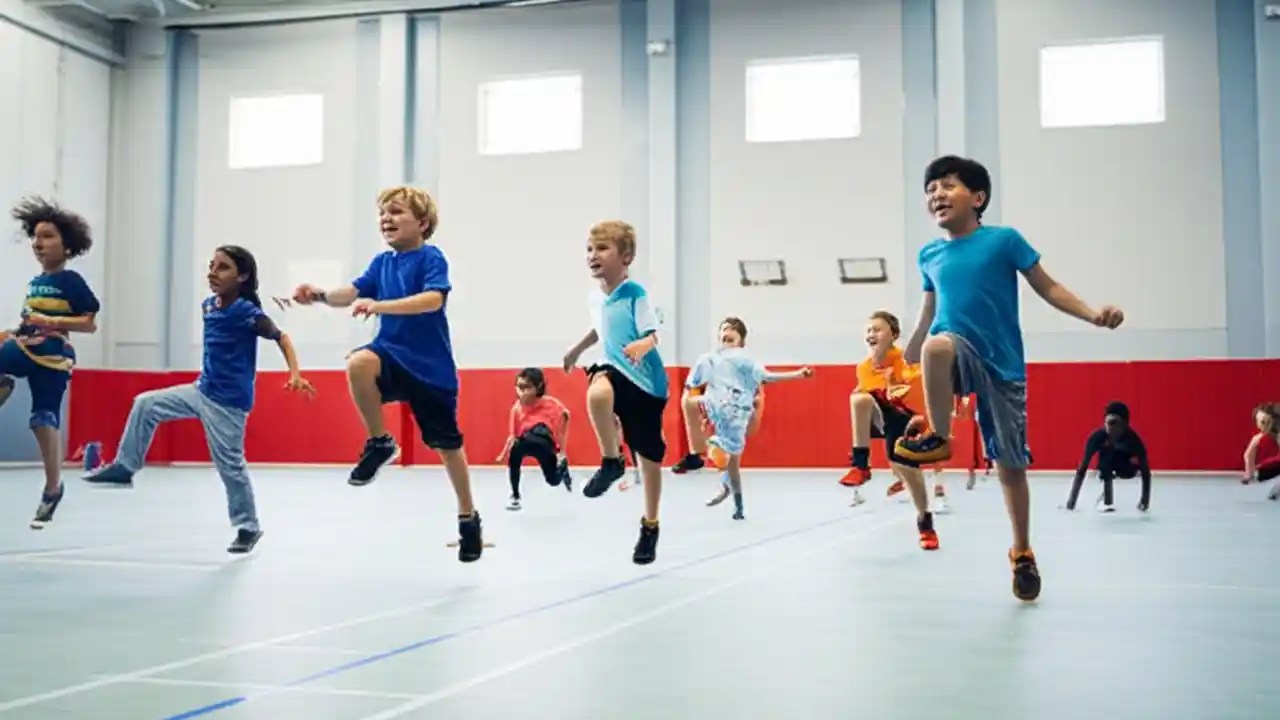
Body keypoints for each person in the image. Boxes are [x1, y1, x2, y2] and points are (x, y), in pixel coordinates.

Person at [893, 155, 1125, 601]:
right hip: (953, 349)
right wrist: (906, 357)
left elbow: (1048, 287)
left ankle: (1021, 551)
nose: (936, 195)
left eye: (947, 186)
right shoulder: (930, 254)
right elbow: (928, 314)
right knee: (936, 346)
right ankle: (941, 437)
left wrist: (1094, 315)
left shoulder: (1003, 241)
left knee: (1010, 466)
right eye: (930, 189)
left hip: (1001, 363)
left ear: (978, 198)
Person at [287, 186, 484, 562]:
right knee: (359, 362)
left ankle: (467, 517)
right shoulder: (382, 263)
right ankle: (380, 442)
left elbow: (433, 300)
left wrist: (380, 305)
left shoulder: (431, 257)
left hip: (430, 369)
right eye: (382, 213)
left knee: (448, 448)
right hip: (390, 355)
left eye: (396, 212)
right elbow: (352, 291)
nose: (386, 219)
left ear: (422, 223)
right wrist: (320, 296)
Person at [84, 246, 314, 553]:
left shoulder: (248, 313)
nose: (212, 272)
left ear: (242, 276)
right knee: (145, 404)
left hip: (228, 403)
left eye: (223, 268)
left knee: (230, 466)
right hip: (201, 390)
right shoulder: (209, 305)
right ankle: (125, 467)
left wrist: (295, 373)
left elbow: (281, 337)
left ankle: (248, 526)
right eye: (211, 266)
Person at [562, 220, 667, 564]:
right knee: (597, 394)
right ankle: (611, 460)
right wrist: (576, 350)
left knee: (649, 459)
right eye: (590, 249)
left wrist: (643, 344)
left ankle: (650, 525)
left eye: (602, 249)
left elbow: (654, 332)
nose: (593, 255)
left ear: (626, 257)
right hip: (612, 367)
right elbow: (599, 330)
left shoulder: (635, 293)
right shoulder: (596, 297)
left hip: (645, 381)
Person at [0, 197, 101, 529]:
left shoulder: (71, 281)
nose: (38, 243)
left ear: (66, 245)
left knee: (43, 420)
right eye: (36, 237)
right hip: (28, 345)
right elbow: (31, 322)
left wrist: (50, 321)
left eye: (47, 236)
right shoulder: (34, 284)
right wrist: (15, 330)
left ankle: (52, 488)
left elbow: (89, 323)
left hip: (52, 355)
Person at [686, 316, 812, 520]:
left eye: (733, 331)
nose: (727, 331)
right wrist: (699, 400)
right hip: (718, 413)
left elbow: (768, 377)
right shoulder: (710, 360)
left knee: (722, 450)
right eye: (724, 329)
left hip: (736, 417)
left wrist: (797, 374)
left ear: (741, 342)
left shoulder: (746, 362)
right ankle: (738, 506)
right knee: (733, 466)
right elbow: (694, 386)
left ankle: (722, 481)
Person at [496, 367, 573, 510]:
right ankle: (515, 495)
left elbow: (565, 417)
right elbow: (512, 435)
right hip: (525, 440)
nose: (522, 392)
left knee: (553, 481)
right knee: (516, 450)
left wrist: (562, 451)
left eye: (527, 387)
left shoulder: (551, 403)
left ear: (538, 387)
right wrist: (504, 452)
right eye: (519, 387)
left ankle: (561, 471)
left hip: (544, 443)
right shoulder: (517, 408)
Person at [1064, 401, 1151, 512]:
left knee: (1117, 458)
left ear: (1124, 424)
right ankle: (1107, 500)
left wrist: (1144, 501)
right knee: (1106, 454)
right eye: (1109, 422)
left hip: (1125, 467)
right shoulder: (1097, 438)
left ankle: (1109, 490)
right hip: (1105, 465)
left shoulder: (1133, 440)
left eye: (1115, 423)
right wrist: (1071, 502)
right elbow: (1082, 468)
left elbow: (1145, 470)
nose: (1111, 428)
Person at [1243, 402, 1280, 499]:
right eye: (1261, 423)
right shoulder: (1258, 437)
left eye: (1266, 422)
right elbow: (1247, 454)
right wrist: (1249, 474)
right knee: (1260, 473)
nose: (1263, 426)